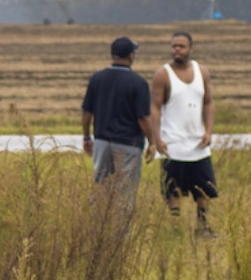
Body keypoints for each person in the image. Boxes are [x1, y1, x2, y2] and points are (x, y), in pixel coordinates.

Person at [151, 28, 217, 237]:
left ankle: (203, 227)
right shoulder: (163, 75)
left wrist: (209, 131)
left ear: (191, 48)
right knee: (173, 191)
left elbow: (209, 102)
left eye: (181, 46)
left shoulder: (202, 72)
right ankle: (175, 228)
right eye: (174, 46)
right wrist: (157, 139)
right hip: (173, 145)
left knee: (204, 190)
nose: (177, 50)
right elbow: (154, 108)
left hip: (198, 145)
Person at [82, 35, 157, 205]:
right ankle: (121, 223)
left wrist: (86, 137)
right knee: (124, 192)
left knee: (100, 187)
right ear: (130, 56)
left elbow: (87, 111)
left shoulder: (97, 78)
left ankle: (96, 220)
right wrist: (152, 142)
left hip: (102, 142)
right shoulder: (138, 83)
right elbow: (143, 117)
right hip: (128, 144)